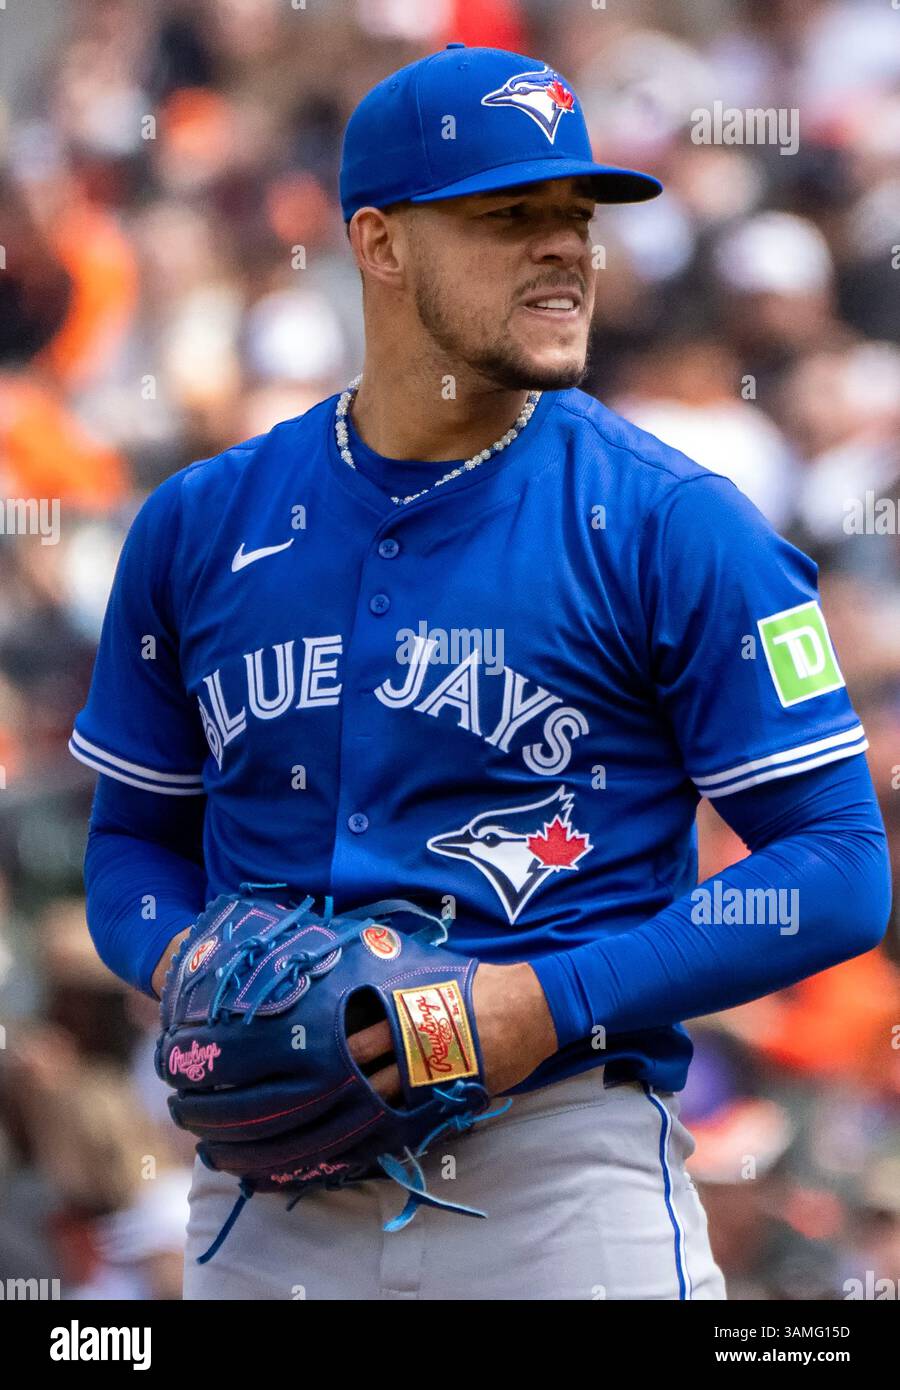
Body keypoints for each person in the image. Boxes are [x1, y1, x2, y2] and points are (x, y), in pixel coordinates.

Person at [71, 45, 890, 1300]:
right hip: (269, 1193)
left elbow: (837, 866)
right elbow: (130, 841)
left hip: (560, 1173)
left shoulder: (673, 521)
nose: (565, 251)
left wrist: (543, 1003)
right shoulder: (200, 522)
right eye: (512, 217)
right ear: (379, 243)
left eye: (577, 219)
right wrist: (188, 963)